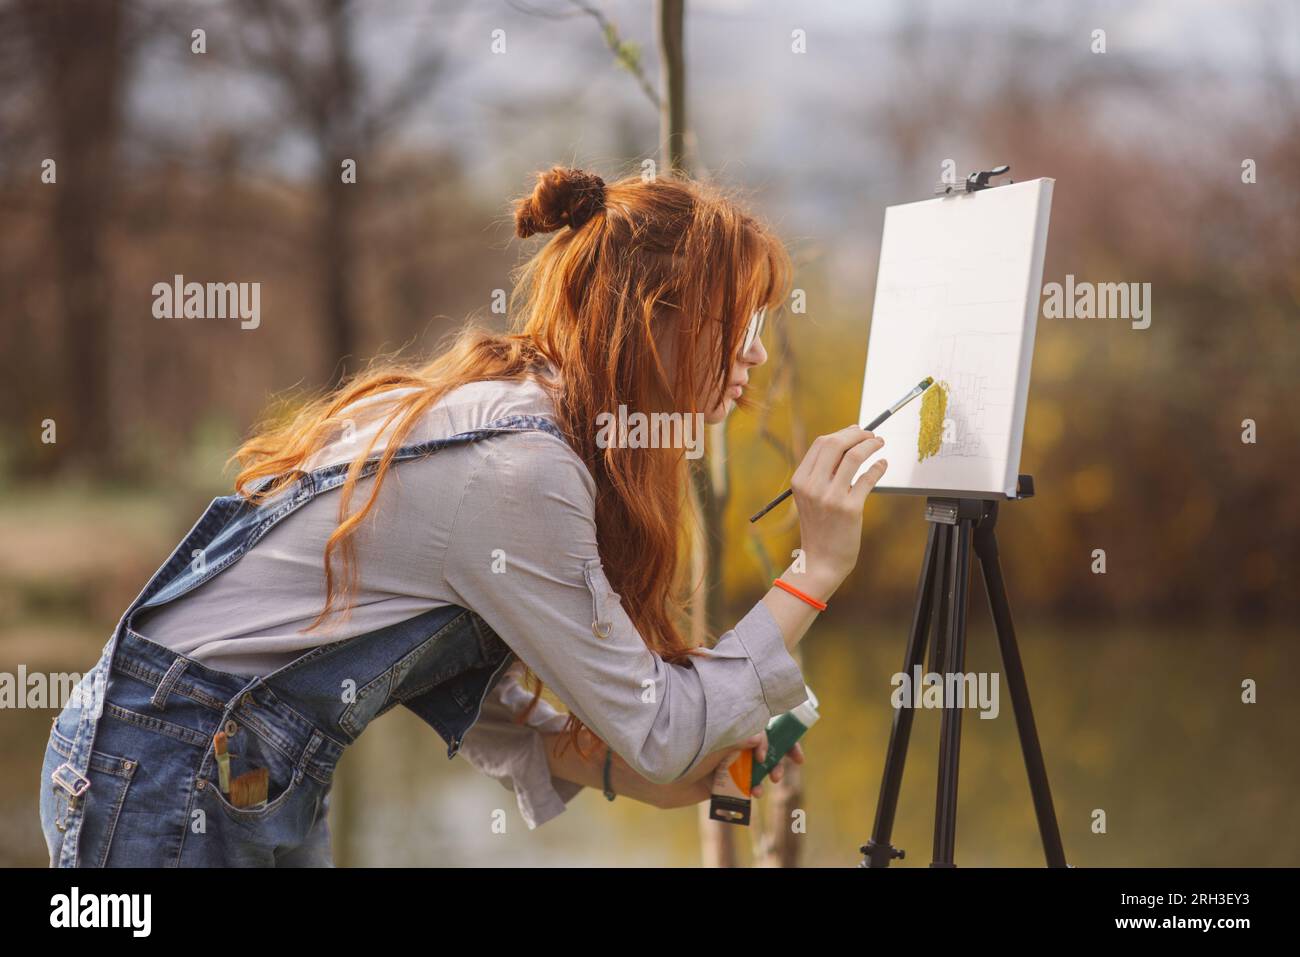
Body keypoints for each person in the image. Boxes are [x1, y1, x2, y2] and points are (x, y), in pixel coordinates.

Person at [38, 166, 888, 866]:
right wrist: (815, 571)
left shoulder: (526, 421)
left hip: (205, 761)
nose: (756, 351)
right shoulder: (524, 469)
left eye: (764, 322)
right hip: (172, 763)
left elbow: (484, 695)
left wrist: (646, 774)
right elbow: (663, 729)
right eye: (735, 318)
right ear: (648, 318)